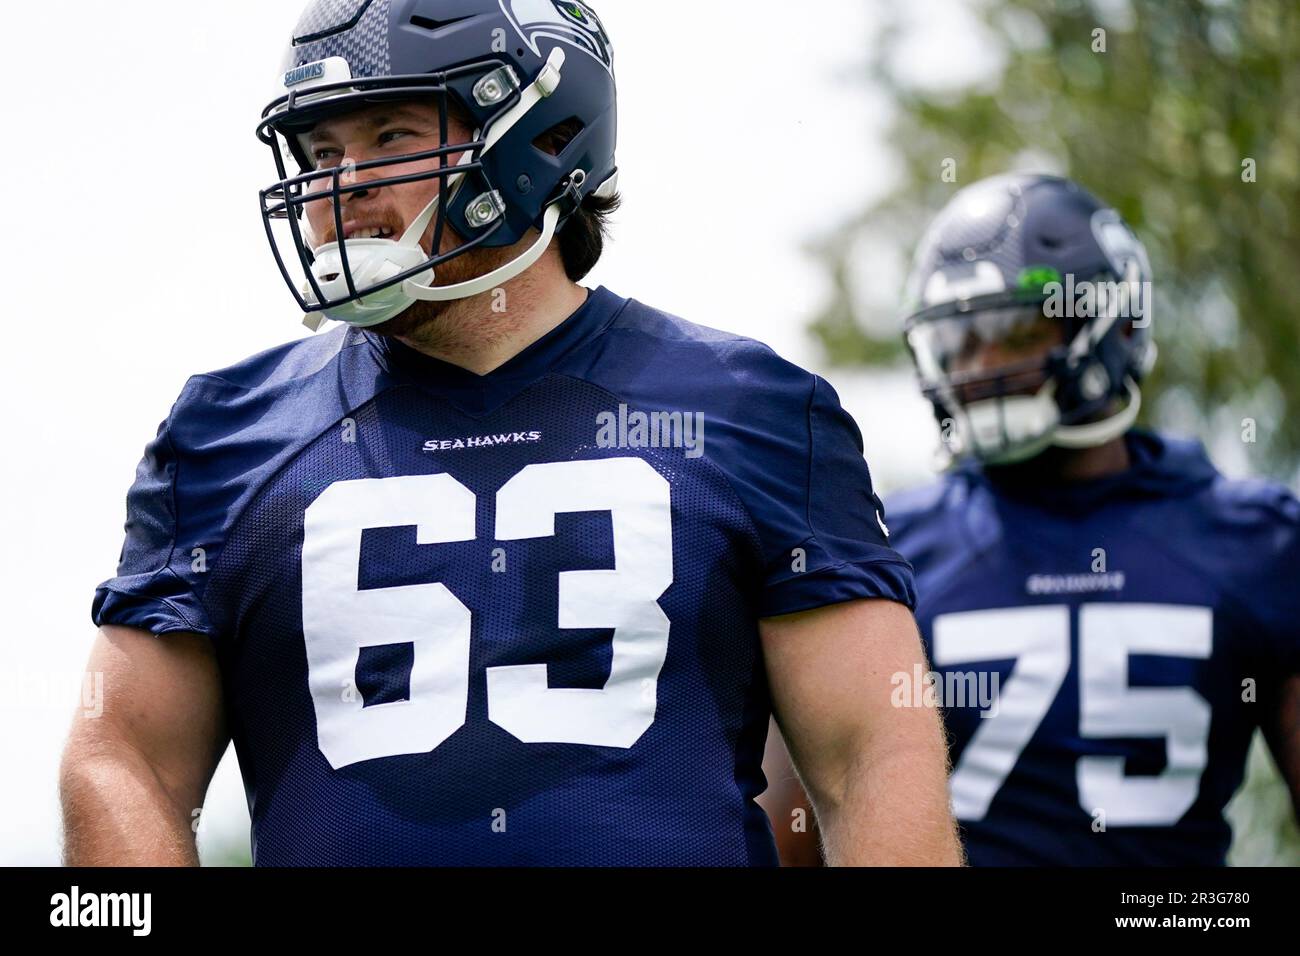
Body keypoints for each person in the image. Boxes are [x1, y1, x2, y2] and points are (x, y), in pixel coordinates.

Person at [61, 0, 961, 867]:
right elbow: (124, 756)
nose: (339, 188)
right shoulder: (226, 431)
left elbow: (870, 752)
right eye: (320, 149)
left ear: (542, 139)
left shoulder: (750, 410)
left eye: (391, 139)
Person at [764, 173, 1300, 866]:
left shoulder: (1260, 541)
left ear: (1114, 320)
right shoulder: (881, 548)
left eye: (1011, 330)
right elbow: (792, 832)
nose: (979, 365)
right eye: (958, 343)